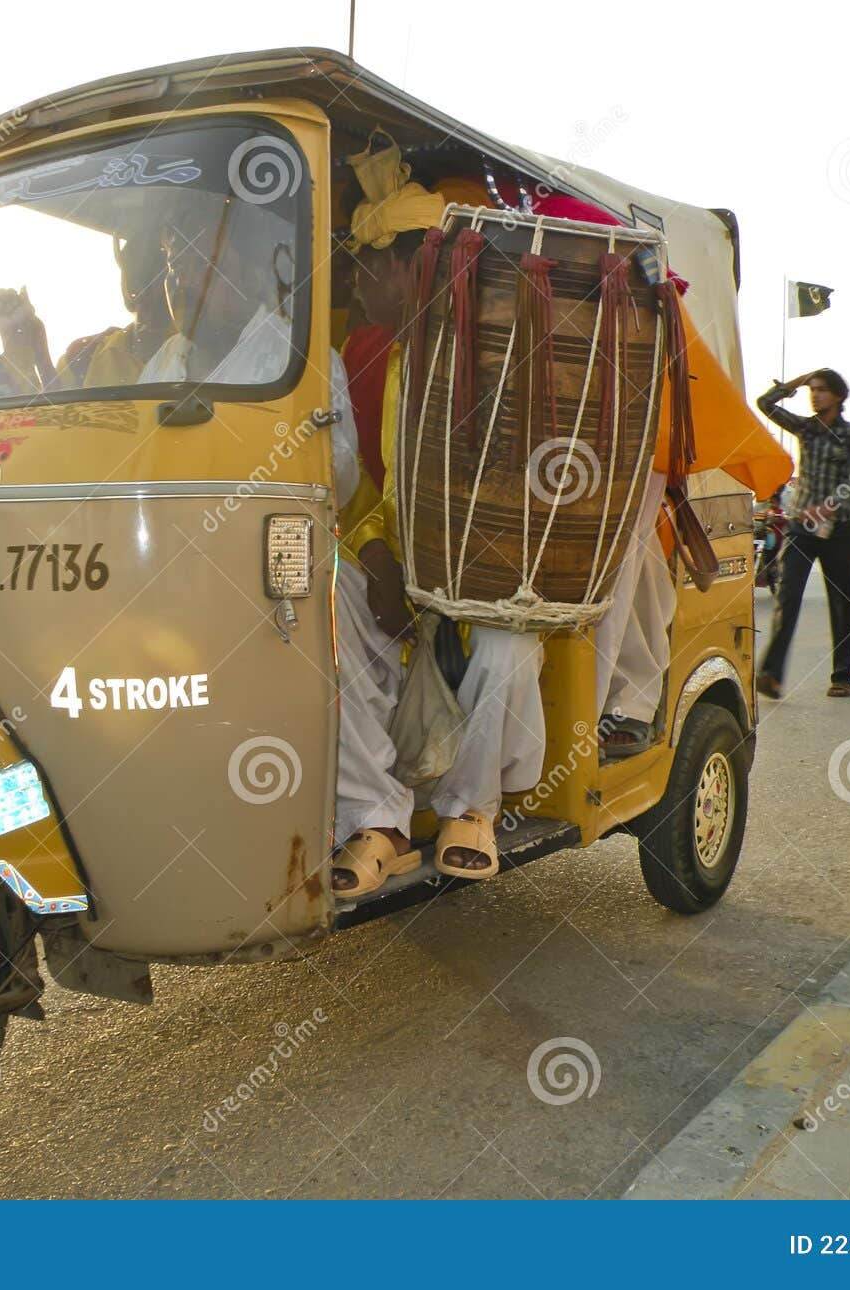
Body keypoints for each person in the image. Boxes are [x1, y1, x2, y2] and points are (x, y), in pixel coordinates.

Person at [331, 142, 545, 895]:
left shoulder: (505, 355)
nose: (358, 286)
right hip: (413, 563)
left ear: (404, 270)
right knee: (331, 602)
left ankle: (468, 811)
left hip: (495, 572)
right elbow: (379, 497)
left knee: (505, 645)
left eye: (365, 270)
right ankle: (377, 819)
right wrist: (380, 553)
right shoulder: (393, 363)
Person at [754, 369, 850, 699]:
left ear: (838, 396)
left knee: (842, 603)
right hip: (801, 527)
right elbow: (765, 403)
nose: (814, 396)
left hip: (839, 530)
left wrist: (827, 507)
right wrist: (798, 382)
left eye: (821, 390)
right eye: (812, 390)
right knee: (787, 598)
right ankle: (772, 675)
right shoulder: (806, 429)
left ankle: (842, 676)